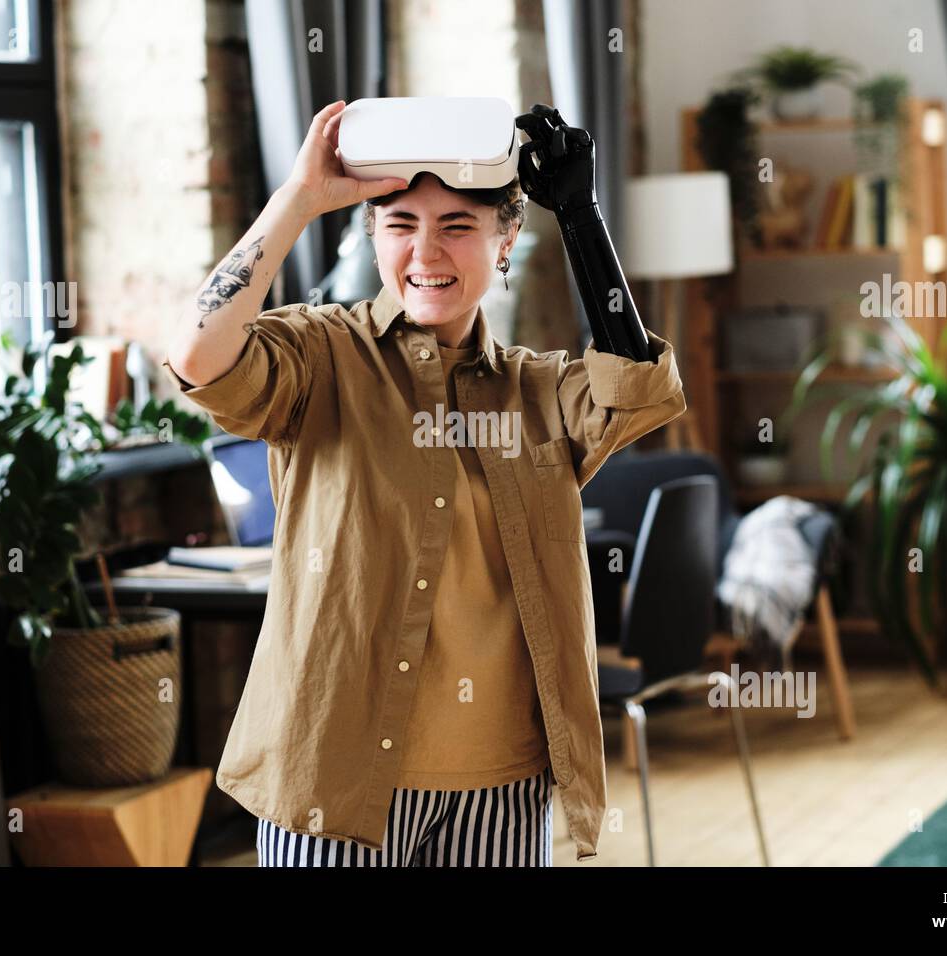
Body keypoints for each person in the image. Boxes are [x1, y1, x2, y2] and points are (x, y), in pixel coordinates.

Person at [163, 99, 686, 866]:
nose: (426, 252)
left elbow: (635, 384)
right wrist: (299, 198)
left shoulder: (541, 392)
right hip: (333, 780)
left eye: (458, 227)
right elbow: (200, 357)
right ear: (374, 234)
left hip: (504, 788)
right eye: (401, 224)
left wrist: (580, 215)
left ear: (505, 240)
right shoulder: (320, 357)